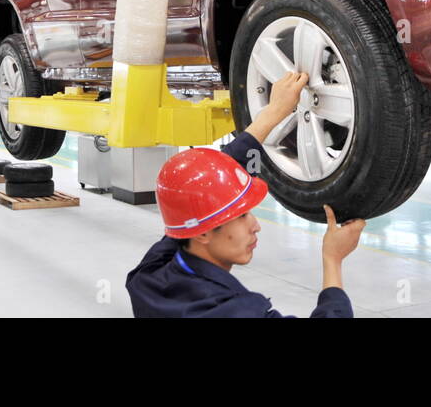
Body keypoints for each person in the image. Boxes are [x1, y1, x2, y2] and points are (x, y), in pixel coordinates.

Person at [126, 71, 364, 317]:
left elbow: (207, 185)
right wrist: (332, 259)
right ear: (204, 232)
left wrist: (273, 112)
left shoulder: (146, 281)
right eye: (240, 216)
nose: (256, 226)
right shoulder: (234, 311)